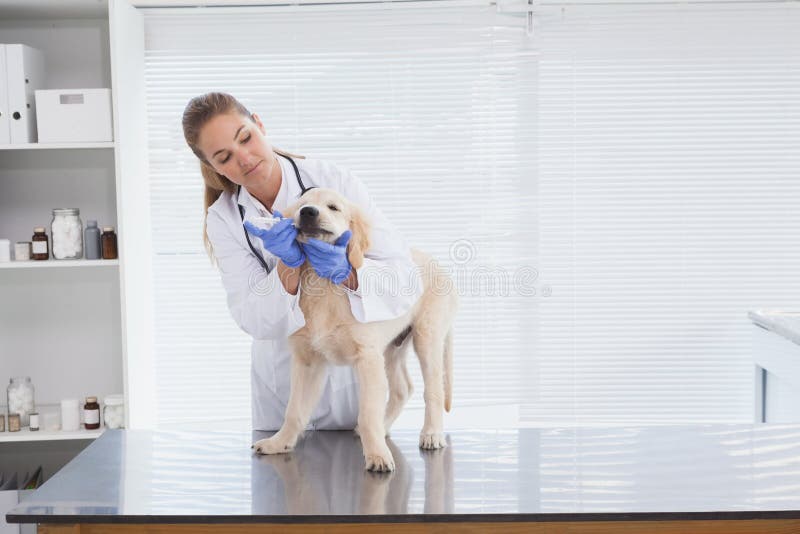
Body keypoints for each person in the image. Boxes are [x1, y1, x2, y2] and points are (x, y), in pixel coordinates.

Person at [182, 92, 422, 431]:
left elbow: (405, 281)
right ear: (212, 167)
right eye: (224, 157)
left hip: (351, 376)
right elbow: (251, 316)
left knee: (363, 475)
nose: (244, 158)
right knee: (284, 479)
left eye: (246, 138)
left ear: (259, 124)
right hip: (284, 388)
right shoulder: (224, 220)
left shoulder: (335, 182)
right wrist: (287, 269)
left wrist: (350, 274)